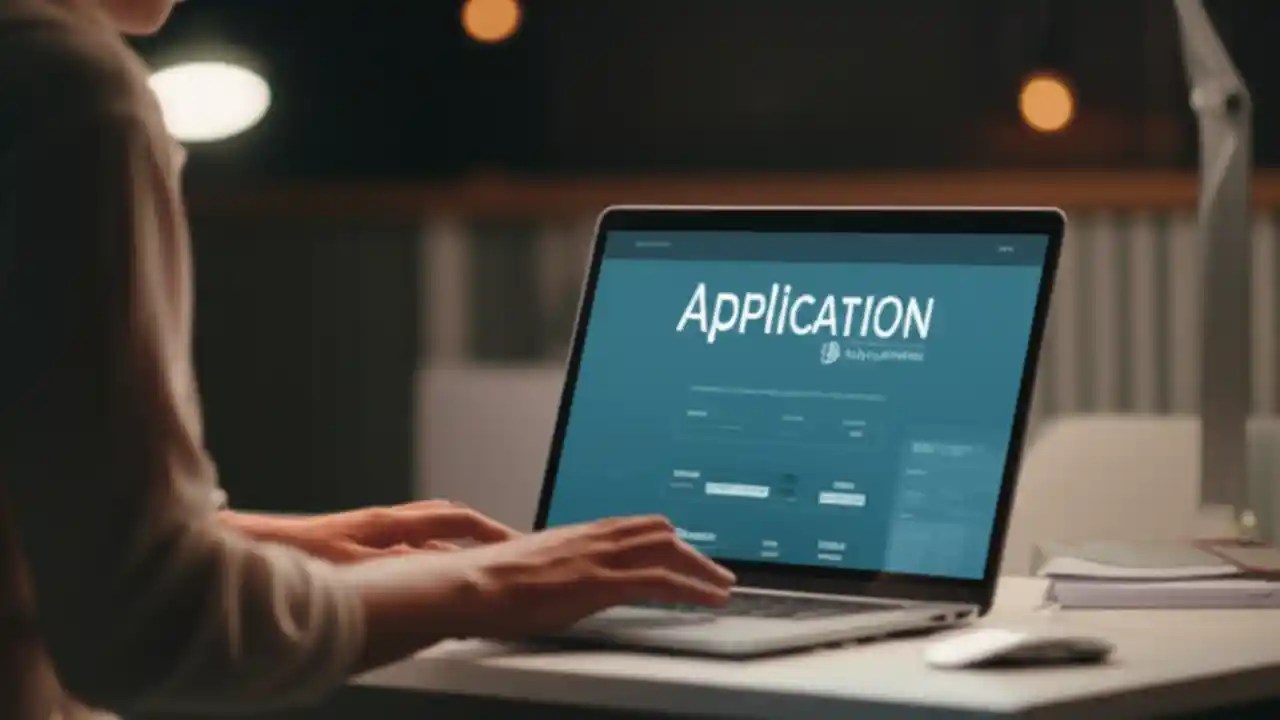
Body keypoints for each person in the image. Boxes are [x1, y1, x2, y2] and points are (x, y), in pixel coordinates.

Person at [0, 1, 736, 718]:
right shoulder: (64, 85)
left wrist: (270, 542)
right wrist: (489, 580)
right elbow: (151, 627)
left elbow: (41, 515)